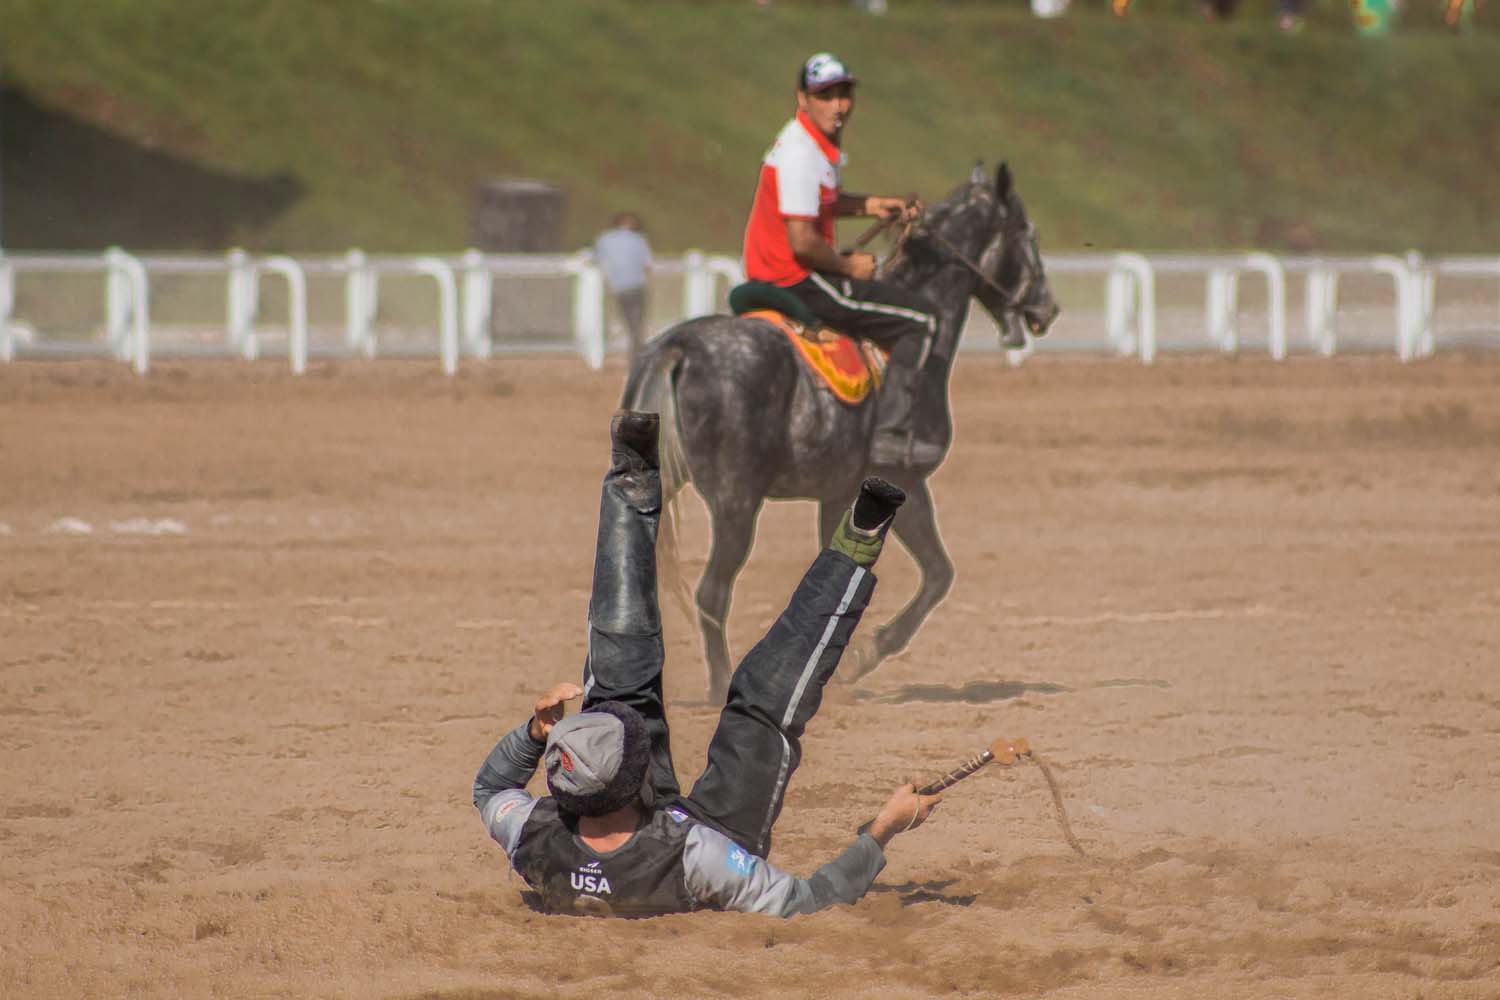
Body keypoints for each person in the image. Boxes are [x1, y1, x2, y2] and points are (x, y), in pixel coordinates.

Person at [474, 411, 942, 917]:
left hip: (629, 814)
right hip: (717, 833)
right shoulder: (705, 857)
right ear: (639, 778)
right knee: (761, 707)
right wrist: (883, 830)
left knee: (622, 674)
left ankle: (633, 481)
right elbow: (808, 902)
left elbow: (491, 788)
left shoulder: (537, 833)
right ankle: (854, 548)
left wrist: (533, 735)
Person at [741, 52, 942, 469]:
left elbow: (824, 202)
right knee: (924, 320)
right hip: (795, 277)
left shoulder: (815, 145)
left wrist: (875, 204)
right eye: (826, 95)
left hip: (789, 270)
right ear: (803, 99)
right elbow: (801, 242)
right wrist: (849, 267)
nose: (839, 105)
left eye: (844, 94)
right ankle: (889, 434)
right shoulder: (800, 153)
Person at [594, 212, 654, 360]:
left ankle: (634, 351)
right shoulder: (639, 240)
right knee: (637, 322)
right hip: (637, 285)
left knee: (628, 320)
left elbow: (596, 258)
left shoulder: (605, 239)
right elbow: (647, 265)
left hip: (618, 287)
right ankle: (636, 354)